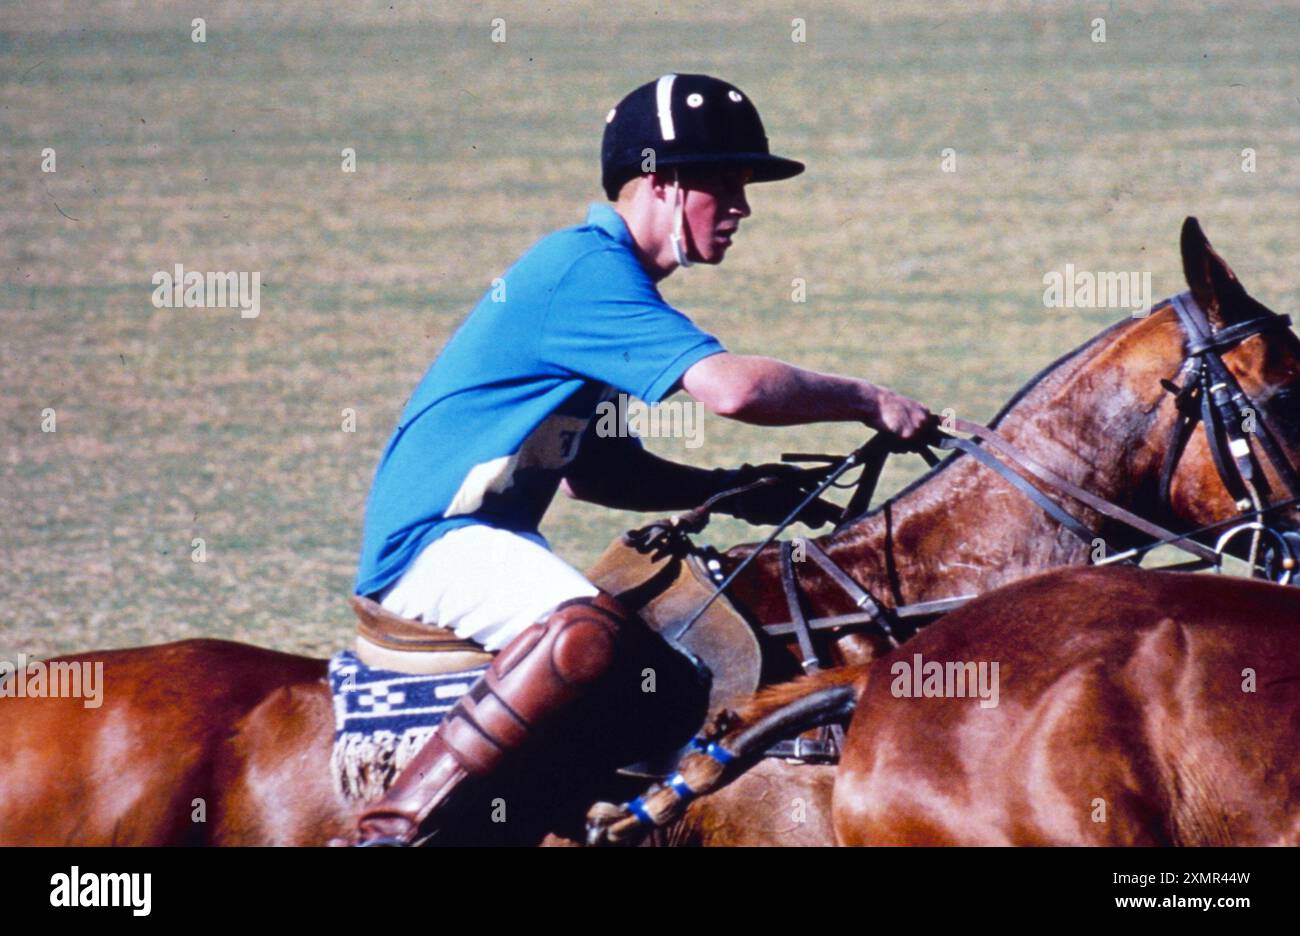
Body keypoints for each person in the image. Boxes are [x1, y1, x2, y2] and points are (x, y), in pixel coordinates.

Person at [347, 73, 935, 845]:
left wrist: (730, 489)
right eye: (723, 183)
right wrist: (866, 397)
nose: (742, 207)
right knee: (585, 635)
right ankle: (390, 835)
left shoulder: (604, 278)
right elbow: (730, 390)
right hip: (430, 546)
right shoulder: (585, 271)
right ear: (658, 182)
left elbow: (599, 472)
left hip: (486, 540)